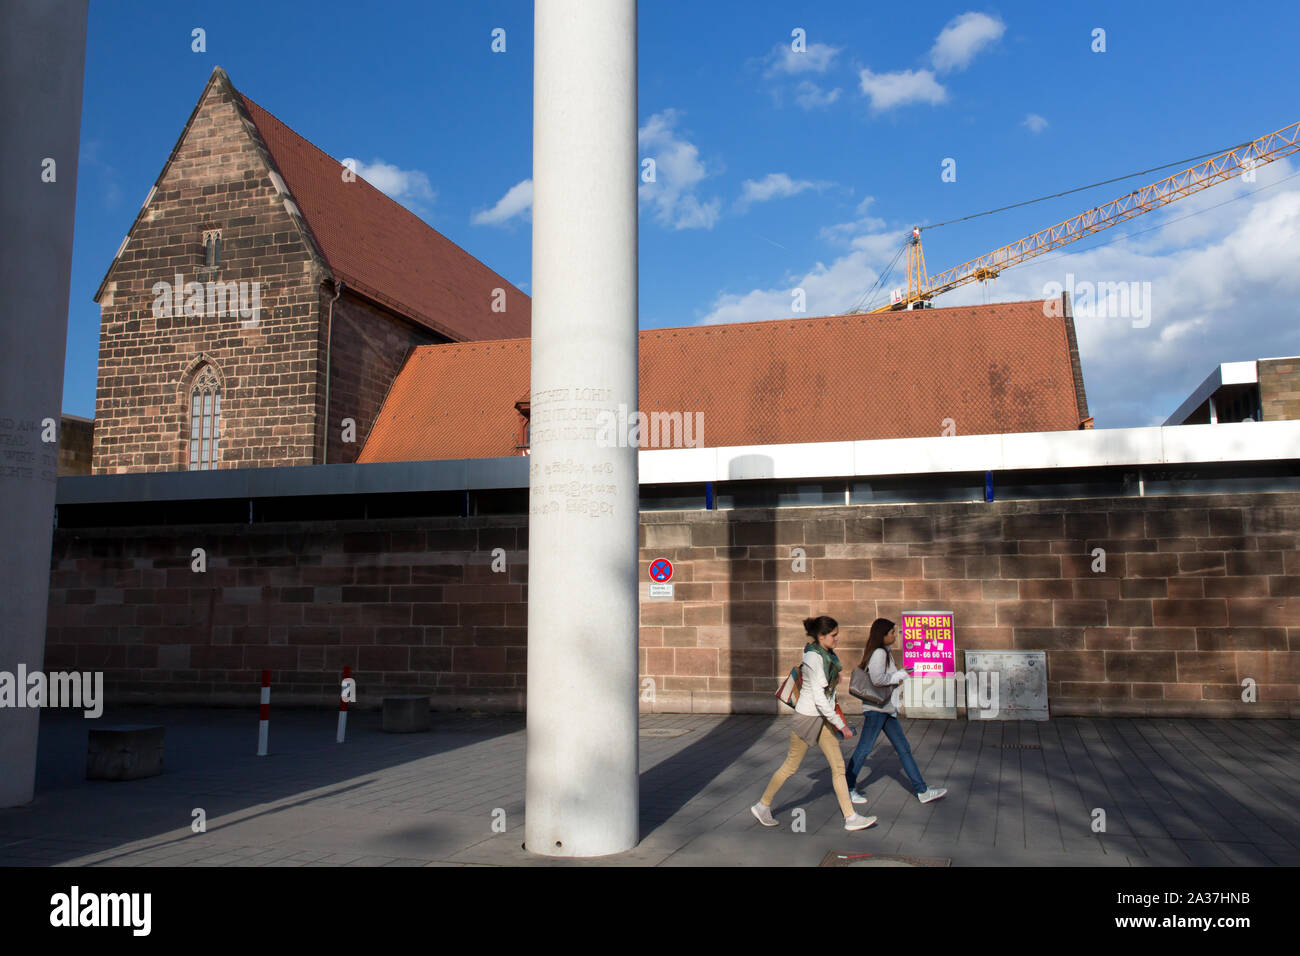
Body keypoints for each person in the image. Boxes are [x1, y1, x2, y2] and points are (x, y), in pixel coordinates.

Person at [751, 616, 878, 832]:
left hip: (821, 718)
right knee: (791, 766)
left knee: (838, 767)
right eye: (834, 635)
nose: (837, 639)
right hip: (808, 718)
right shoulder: (813, 658)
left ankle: (851, 817)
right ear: (821, 637)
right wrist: (841, 725)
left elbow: (827, 695)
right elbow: (820, 699)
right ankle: (762, 805)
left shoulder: (825, 654)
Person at [845, 617, 947, 805]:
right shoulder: (879, 653)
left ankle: (922, 790)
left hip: (886, 709)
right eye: (892, 632)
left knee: (903, 749)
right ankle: (848, 788)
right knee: (864, 749)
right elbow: (877, 679)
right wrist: (898, 675)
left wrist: (899, 674)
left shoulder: (884, 652)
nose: (895, 635)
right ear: (882, 635)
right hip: (877, 710)